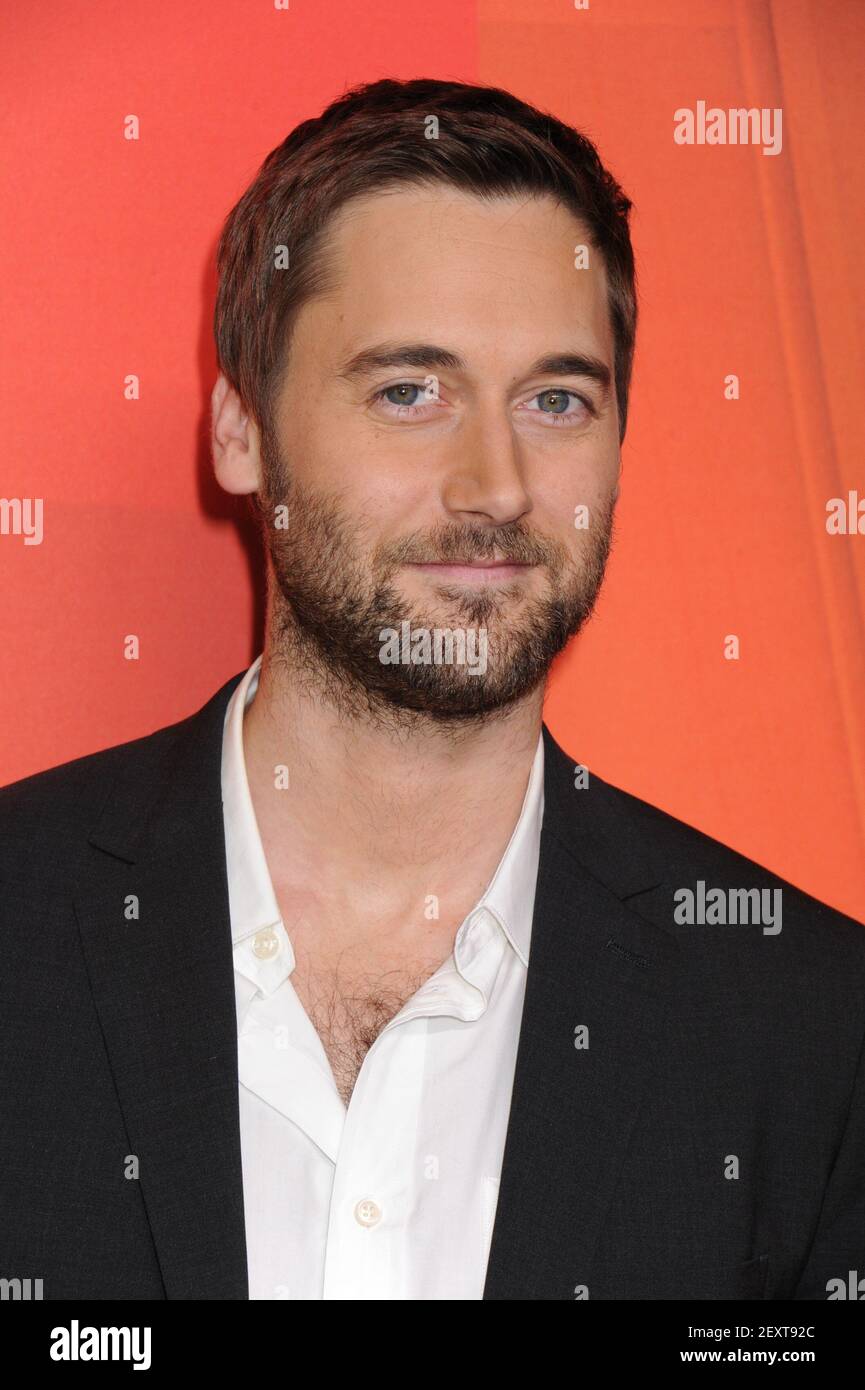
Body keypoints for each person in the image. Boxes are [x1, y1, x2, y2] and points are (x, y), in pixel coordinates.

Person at [1, 77, 862, 1302]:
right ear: (240, 429)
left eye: (556, 399)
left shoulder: (813, 1033)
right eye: (410, 390)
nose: (495, 484)